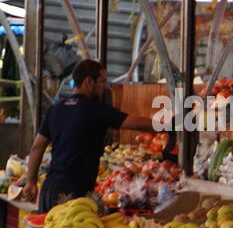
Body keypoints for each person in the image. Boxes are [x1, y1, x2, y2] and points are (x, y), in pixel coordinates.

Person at [16, 59, 157, 212]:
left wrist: (31, 181)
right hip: (73, 193)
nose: (105, 87)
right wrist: (168, 125)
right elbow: (135, 123)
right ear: (89, 82)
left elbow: (37, 147)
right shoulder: (96, 110)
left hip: (50, 189)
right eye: (102, 82)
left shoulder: (55, 109)